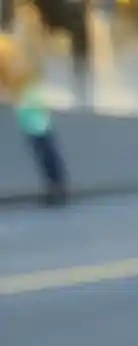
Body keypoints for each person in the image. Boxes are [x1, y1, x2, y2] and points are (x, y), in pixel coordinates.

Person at [0, 4, 67, 205]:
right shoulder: (12, 42)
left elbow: (15, 71)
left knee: (40, 140)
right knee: (41, 140)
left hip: (27, 94)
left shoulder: (7, 44)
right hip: (29, 91)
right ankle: (56, 184)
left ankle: (56, 185)